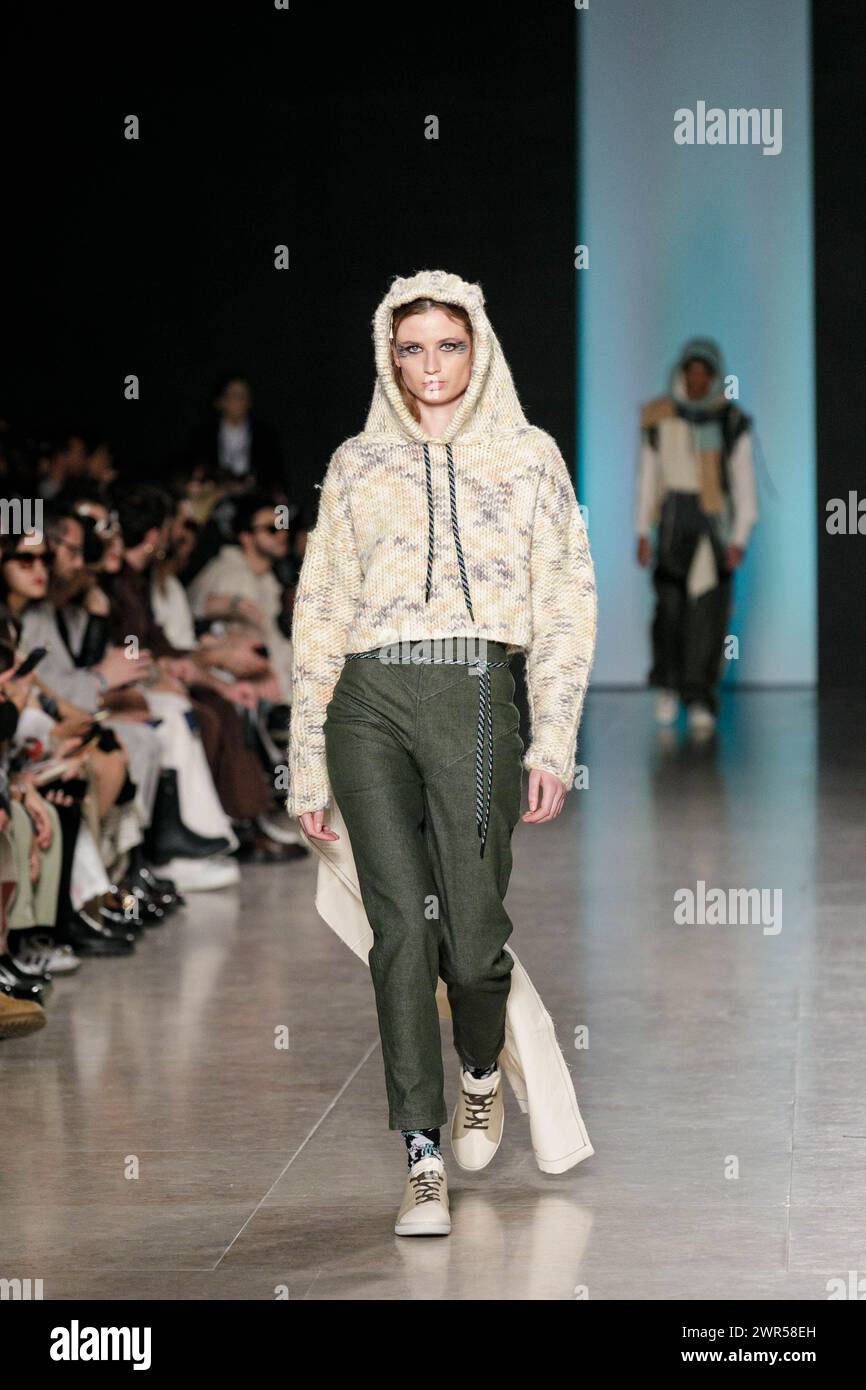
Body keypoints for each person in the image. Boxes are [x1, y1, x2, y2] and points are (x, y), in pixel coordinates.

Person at [286, 269, 597, 1236]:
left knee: (470, 937)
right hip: (367, 702)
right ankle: (420, 1154)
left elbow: (566, 604)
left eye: (448, 346)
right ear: (388, 352)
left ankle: (477, 1069)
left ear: (480, 349)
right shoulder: (354, 465)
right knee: (401, 933)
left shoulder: (529, 457)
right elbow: (319, 613)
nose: (429, 366)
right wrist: (307, 754)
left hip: (473, 696)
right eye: (410, 346)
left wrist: (553, 734)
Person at [636, 338, 758, 733]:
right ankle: (669, 687)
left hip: (713, 529)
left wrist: (739, 537)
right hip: (672, 527)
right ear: (682, 374)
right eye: (691, 373)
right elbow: (648, 478)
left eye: (704, 375)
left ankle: (701, 696)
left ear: (714, 378)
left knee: (709, 615)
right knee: (669, 609)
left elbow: (743, 484)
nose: (697, 381)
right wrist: (641, 530)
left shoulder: (730, 420)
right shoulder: (659, 417)